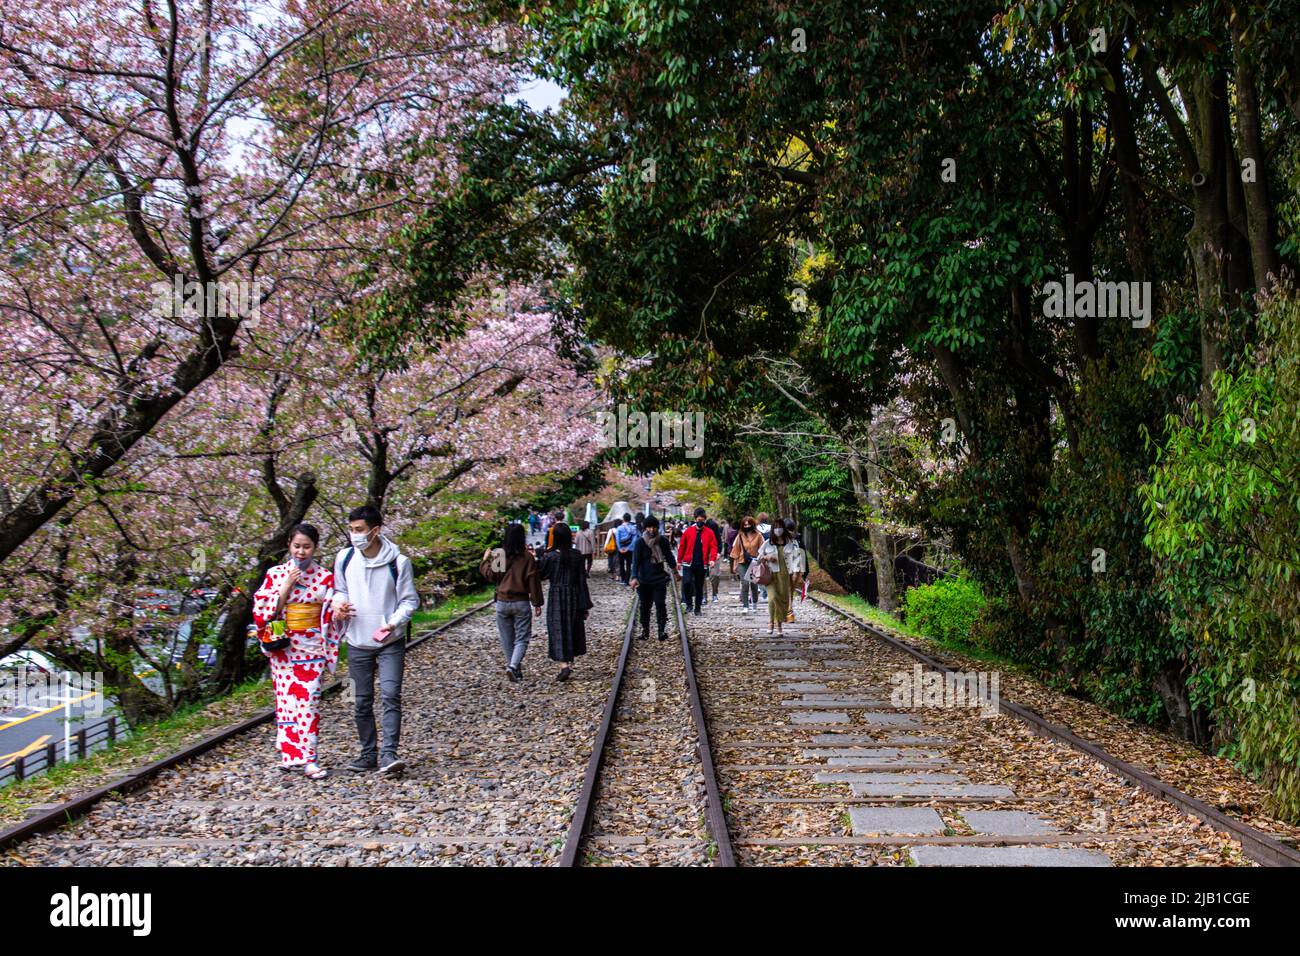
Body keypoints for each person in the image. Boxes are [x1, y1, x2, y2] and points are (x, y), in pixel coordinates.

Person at [252, 523, 345, 779]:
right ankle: (290, 755)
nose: (301, 552)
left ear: (315, 547)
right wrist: (285, 588)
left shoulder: (325, 576)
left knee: (309, 700)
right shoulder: (276, 573)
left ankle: (310, 758)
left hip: (312, 646)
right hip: (283, 647)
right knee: (287, 701)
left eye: (307, 547)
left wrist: (338, 609)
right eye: (297, 546)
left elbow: (331, 606)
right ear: (289, 546)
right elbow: (262, 613)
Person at [332, 505, 420, 774]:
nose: (354, 535)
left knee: (391, 694)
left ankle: (389, 753)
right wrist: (339, 605)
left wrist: (392, 623)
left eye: (359, 530)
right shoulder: (345, 558)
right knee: (360, 700)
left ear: (375, 530)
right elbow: (339, 589)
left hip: (389, 642)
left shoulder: (399, 562)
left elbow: (409, 600)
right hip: (357, 641)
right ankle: (367, 753)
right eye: (351, 530)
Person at [480, 523, 543, 682]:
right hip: (521, 602)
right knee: (522, 638)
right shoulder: (527, 557)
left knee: (507, 639)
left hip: (502, 602)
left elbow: (491, 576)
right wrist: (537, 603)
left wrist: (485, 560)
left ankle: (513, 667)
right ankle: (513, 667)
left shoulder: (500, 555)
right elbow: (533, 580)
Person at [539, 523, 593, 681]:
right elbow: (582, 581)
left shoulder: (550, 557)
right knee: (572, 626)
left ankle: (564, 665)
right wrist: (585, 605)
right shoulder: (576, 555)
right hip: (574, 595)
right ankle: (568, 659)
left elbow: (541, 574)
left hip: (556, 595)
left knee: (557, 628)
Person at [630, 515, 678, 640]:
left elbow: (669, 556)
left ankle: (661, 631)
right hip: (644, 579)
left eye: (654, 527)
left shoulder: (662, 541)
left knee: (660, 604)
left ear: (657, 527)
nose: (651, 530)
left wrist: (675, 572)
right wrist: (634, 577)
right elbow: (636, 561)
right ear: (645, 528)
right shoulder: (640, 543)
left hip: (659, 578)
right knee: (645, 606)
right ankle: (645, 631)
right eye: (649, 527)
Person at [756, 518, 805, 636]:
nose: (778, 530)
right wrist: (767, 557)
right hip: (771, 575)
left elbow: (797, 559)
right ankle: (770, 622)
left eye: (780, 527)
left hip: (784, 576)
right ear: (773, 529)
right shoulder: (768, 542)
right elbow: (758, 557)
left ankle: (779, 625)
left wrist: (795, 573)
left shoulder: (791, 543)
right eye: (776, 527)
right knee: (772, 598)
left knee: (782, 601)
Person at [676, 507, 719, 616]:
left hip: (702, 563)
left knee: (699, 586)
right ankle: (689, 604)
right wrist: (679, 561)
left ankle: (697, 608)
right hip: (688, 562)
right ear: (695, 519)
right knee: (686, 583)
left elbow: (714, 546)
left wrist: (712, 559)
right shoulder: (688, 531)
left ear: (704, 520)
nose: (700, 521)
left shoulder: (709, 532)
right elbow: (682, 546)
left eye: (702, 520)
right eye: (698, 519)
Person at [730, 516, 764, 613]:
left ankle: (754, 603)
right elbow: (736, 550)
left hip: (754, 563)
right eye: (745, 524)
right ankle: (745, 606)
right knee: (744, 583)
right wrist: (734, 565)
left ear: (752, 524)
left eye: (748, 524)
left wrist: (761, 561)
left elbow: (762, 549)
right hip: (742, 562)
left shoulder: (758, 535)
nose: (747, 526)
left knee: (753, 584)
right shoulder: (740, 536)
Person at [615, 512, 637, 586]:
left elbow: (617, 539)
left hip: (621, 549)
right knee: (628, 565)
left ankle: (623, 578)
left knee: (621, 564)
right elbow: (634, 539)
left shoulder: (619, 528)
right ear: (630, 519)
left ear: (623, 519)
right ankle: (627, 581)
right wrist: (629, 548)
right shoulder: (633, 528)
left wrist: (620, 548)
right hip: (630, 549)